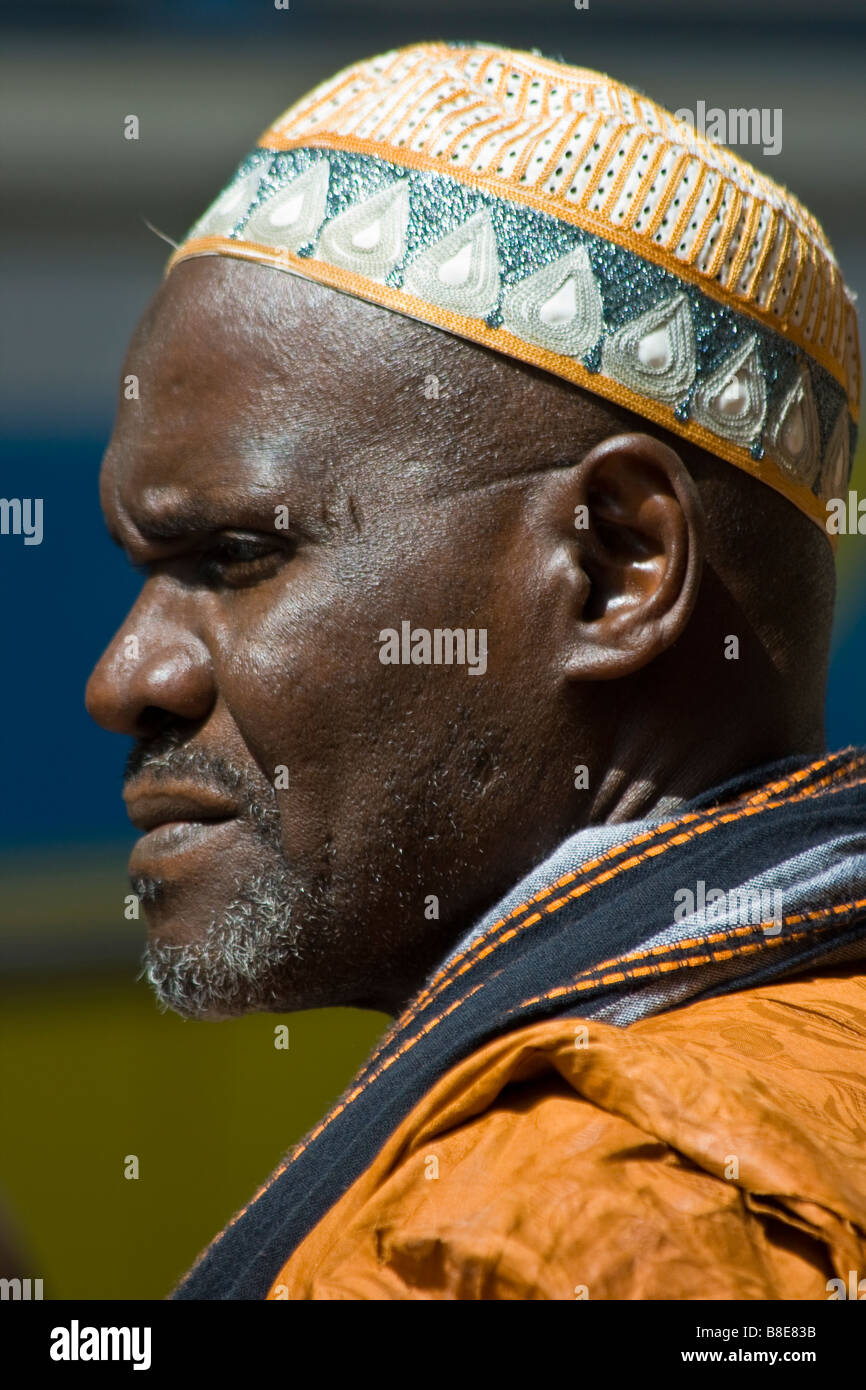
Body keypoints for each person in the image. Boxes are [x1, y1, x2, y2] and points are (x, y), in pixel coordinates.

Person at [85, 42, 866, 1300]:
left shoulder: (585, 1217)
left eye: (231, 553)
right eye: (140, 570)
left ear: (616, 566)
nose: (125, 679)